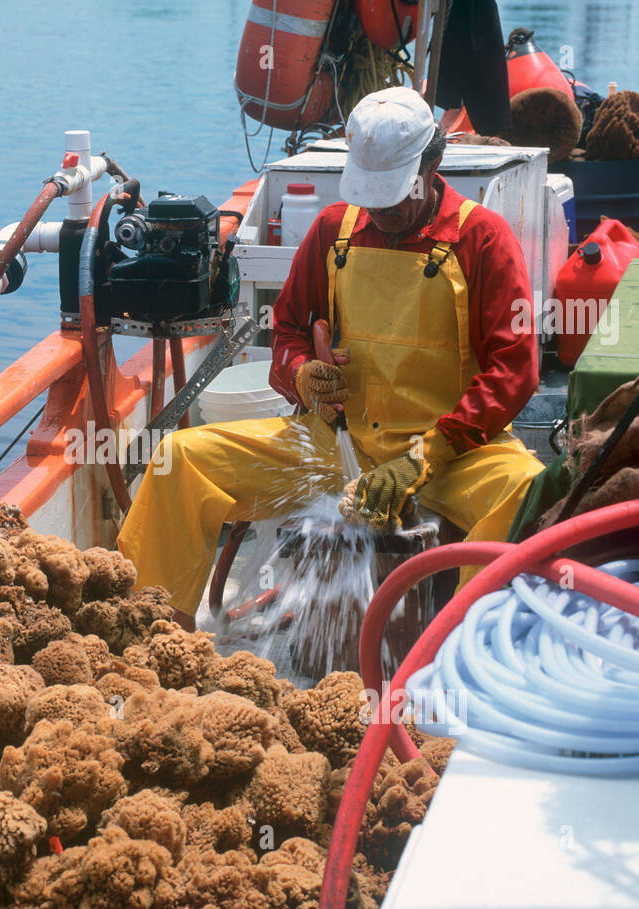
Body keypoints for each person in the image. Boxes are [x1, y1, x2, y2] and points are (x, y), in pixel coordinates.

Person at [118, 85, 543, 630]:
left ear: (434, 163)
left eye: (392, 194)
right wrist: (301, 375)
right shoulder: (332, 231)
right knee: (181, 460)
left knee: (525, 491)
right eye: (371, 195)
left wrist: (430, 453)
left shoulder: (483, 238)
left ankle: (459, 649)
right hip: (337, 445)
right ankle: (154, 636)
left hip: (449, 453)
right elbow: (287, 330)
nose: (381, 211)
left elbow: (516, 369)